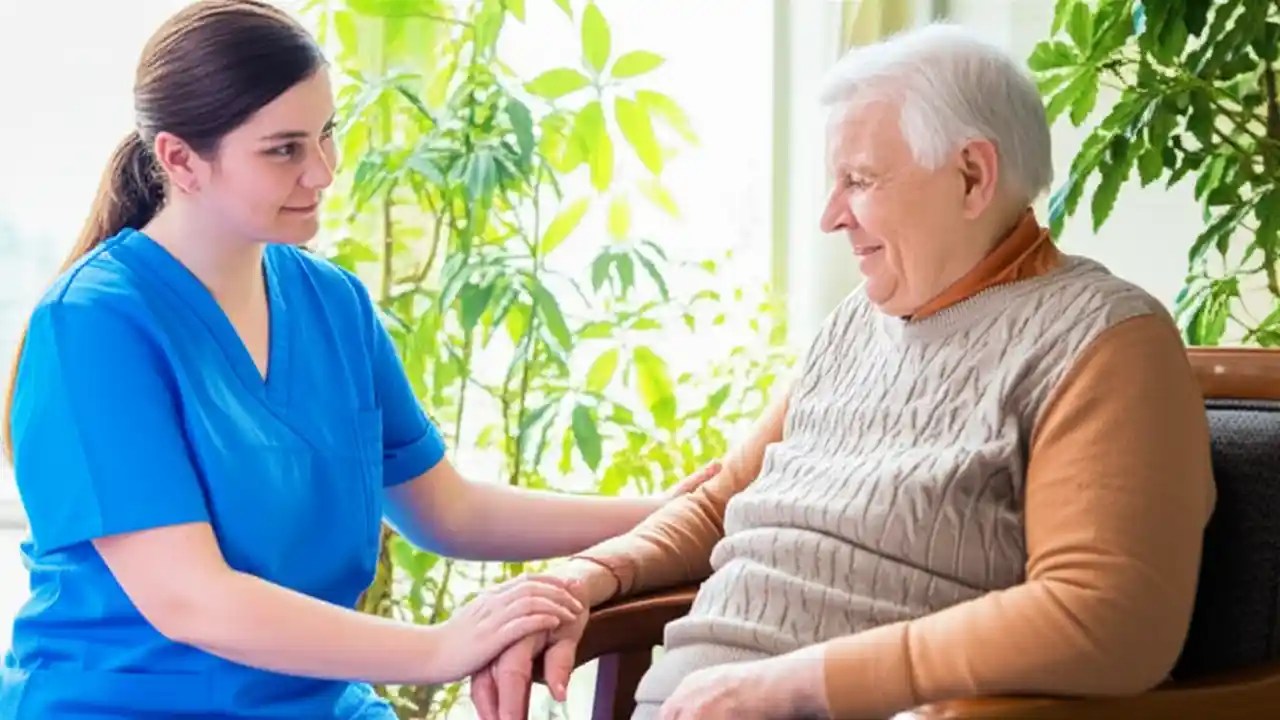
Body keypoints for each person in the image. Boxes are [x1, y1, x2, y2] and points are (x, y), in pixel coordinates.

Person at [469, 23, 1218, 720]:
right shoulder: (858, 323)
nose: (831, 215)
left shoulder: (1104, 341)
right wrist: (582, 580)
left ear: (971, 175)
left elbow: (1109, 617)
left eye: (859, 180)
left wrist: (800, 684)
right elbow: (724, 501)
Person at [0, 2, 717, 718]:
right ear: (180, 160)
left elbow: (446, 512)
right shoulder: (92, 327)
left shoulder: (331, 302)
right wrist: (441, 647)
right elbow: (194, 601)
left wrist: (680, 516)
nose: (323, 172)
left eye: (327, 134)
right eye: (284, 149)